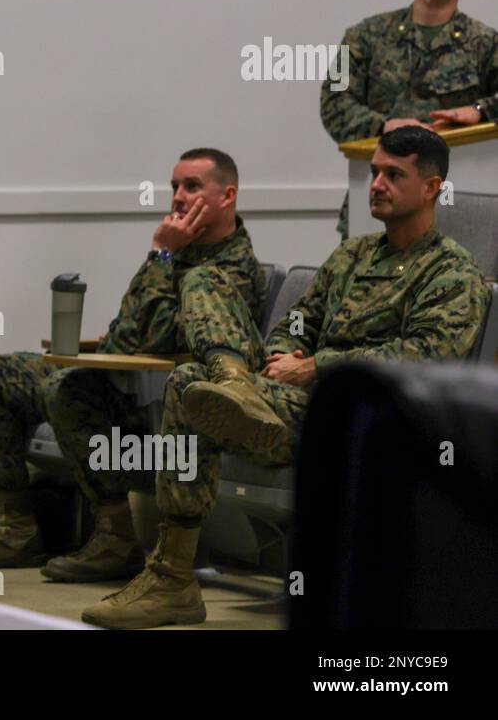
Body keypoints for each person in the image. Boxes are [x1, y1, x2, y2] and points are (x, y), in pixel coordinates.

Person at [82, 127, 491, 628]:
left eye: (393, 174)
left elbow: (427, 358)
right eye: (375, 172)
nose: (377, 184)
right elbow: (297, 323)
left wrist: (316, 366)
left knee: (192, 381)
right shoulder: (352, 255)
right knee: (190, 372)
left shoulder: (451, 271)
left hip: (360, 420)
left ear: (431, 187)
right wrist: (281, 358)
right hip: (293, 400)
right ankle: (173, 575)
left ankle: (173, 575)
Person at [0, 149, 265, 580]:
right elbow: (125, 331)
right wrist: (163, 258)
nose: (178, 198)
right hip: (120, 381)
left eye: (192, 187)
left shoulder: (234, 270)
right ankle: (14, 527)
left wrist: (161, 255)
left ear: (228, 196)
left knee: (67, 390)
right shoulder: (175, 253)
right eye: (174, 187)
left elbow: (157, 340)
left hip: (163, 402)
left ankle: (115, 538)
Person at [321, 0, 498, 238]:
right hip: (375, 204)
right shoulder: (365, 36)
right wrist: (383, 126)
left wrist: (481, 110)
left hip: (456, 204)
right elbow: (334, 102)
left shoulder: (485, 44)